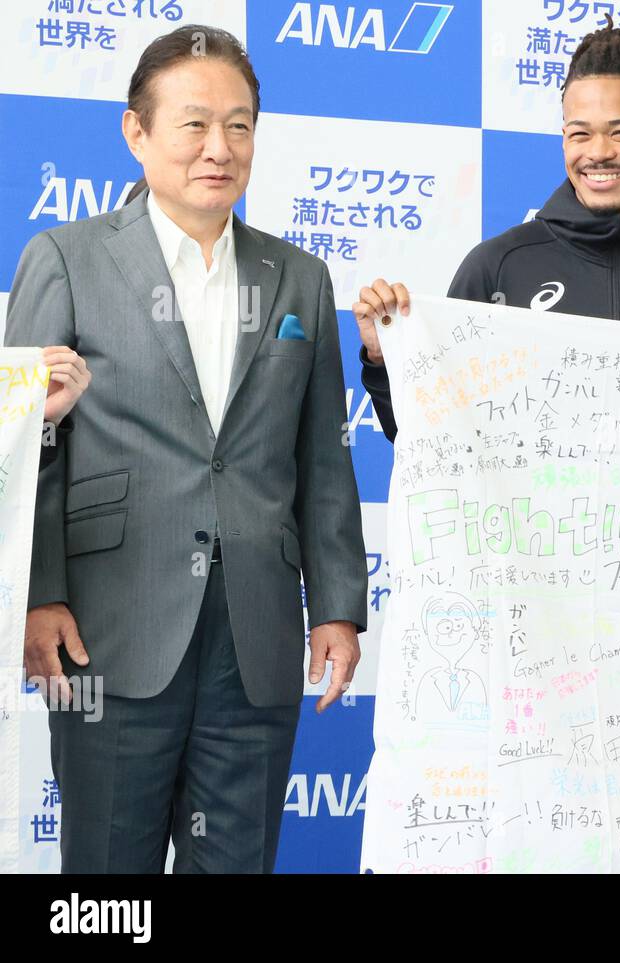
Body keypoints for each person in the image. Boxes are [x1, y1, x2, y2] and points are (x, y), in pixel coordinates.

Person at [4, 25, 368, 873]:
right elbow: (32, 444)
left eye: (240, 126)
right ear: (138, 133)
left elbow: (320, 457)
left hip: (256, 639)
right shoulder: (65, 257)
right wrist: (39, 593)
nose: (220, 148)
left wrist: (340, 603)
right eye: (195, 124)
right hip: (109, 631)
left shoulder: (300, 279)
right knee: (105, 880)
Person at [354, 20, 620, 442]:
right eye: (580, 133)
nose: (598, 153)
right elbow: (430, 439)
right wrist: (385, 359)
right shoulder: (497, 269)